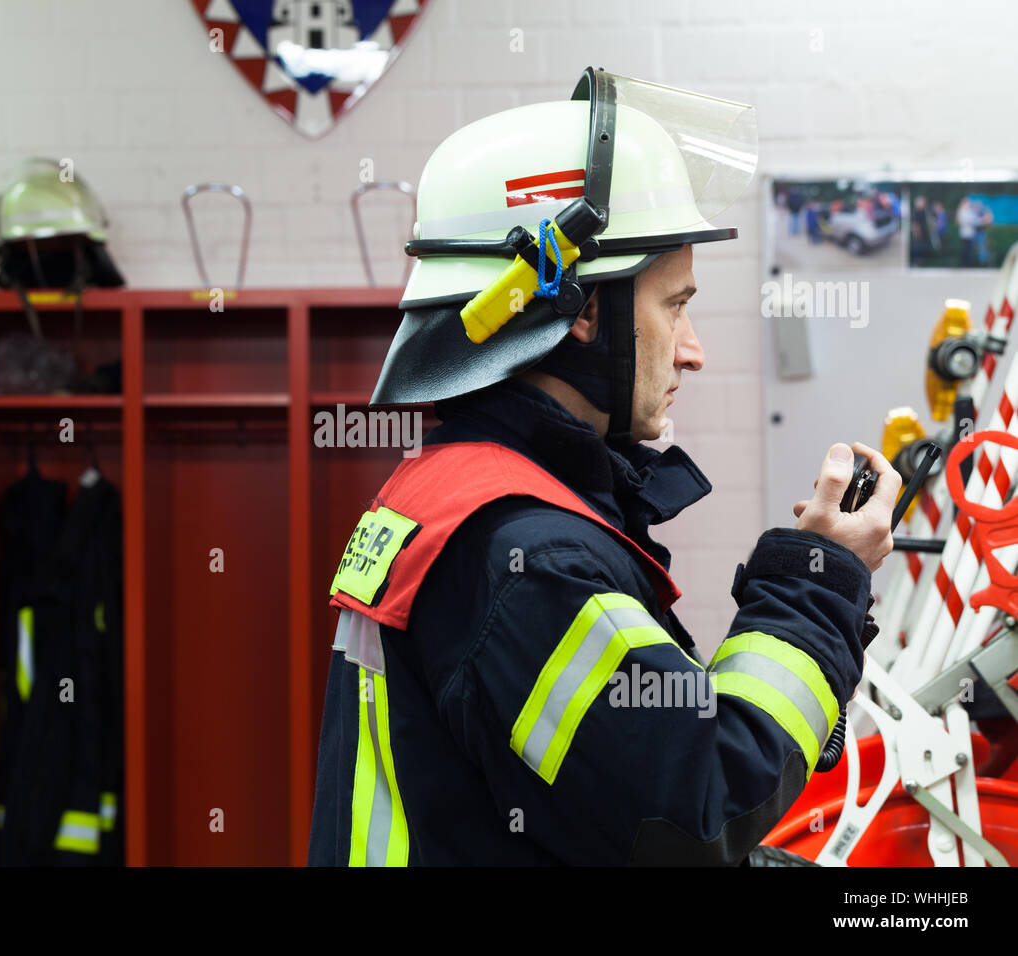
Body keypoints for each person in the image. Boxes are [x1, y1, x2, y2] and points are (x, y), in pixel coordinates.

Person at [308, 69, 899, 866]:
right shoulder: (531, 561)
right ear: (583, 309)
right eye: (676, 305)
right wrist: (818, 588)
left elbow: (591, 809)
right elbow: (693, 813)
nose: (693, 352)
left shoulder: (454, 495)